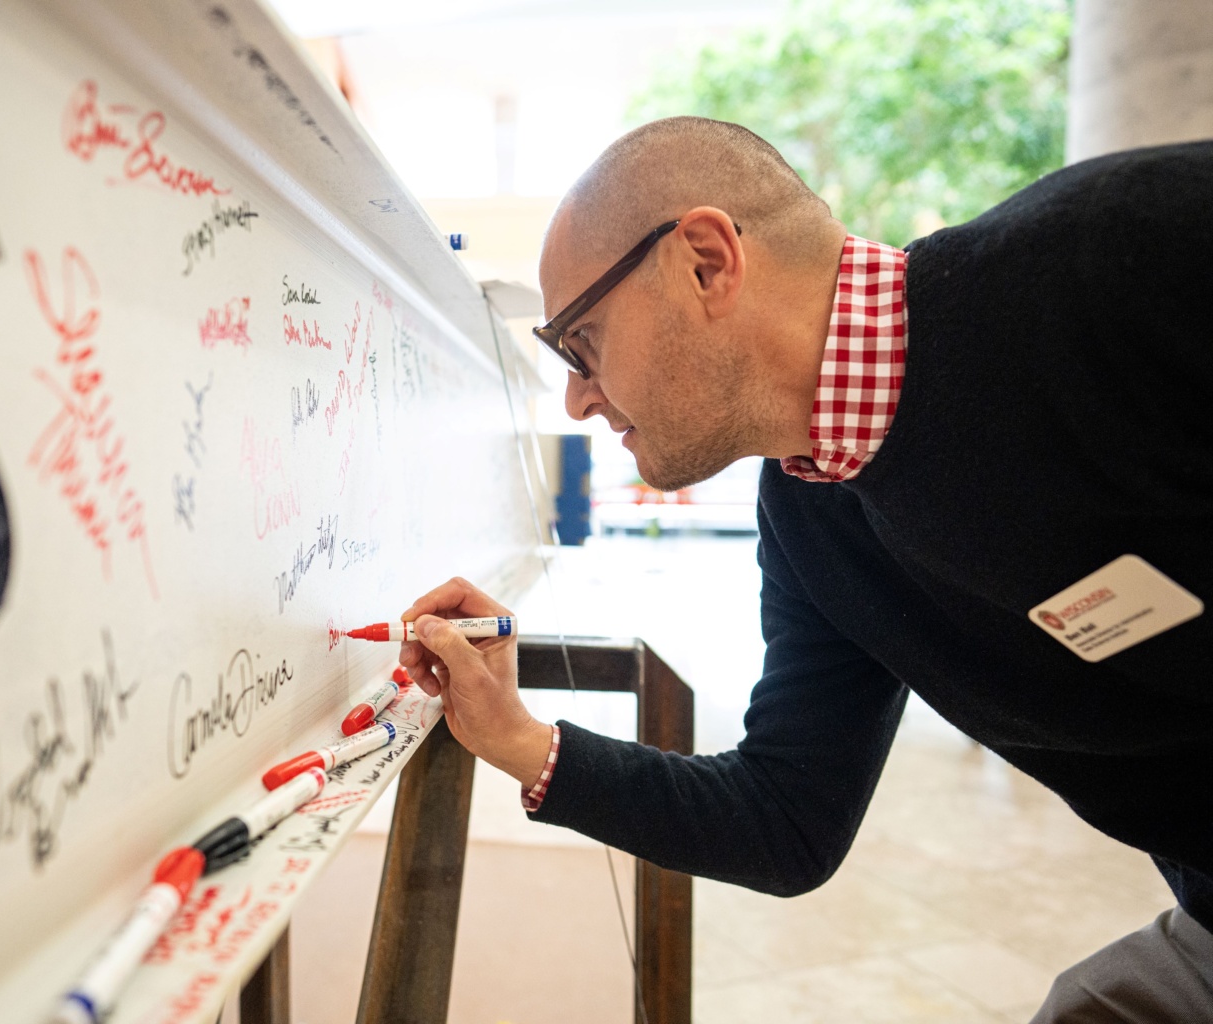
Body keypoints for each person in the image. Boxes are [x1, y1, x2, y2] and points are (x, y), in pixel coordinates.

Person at [396, 117, 1213, 1022]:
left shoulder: (1112, 257)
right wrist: (518, 738)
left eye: (580, 345)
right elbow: (788, 820)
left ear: (704, 261)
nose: (578, 400)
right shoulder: (812, 520)